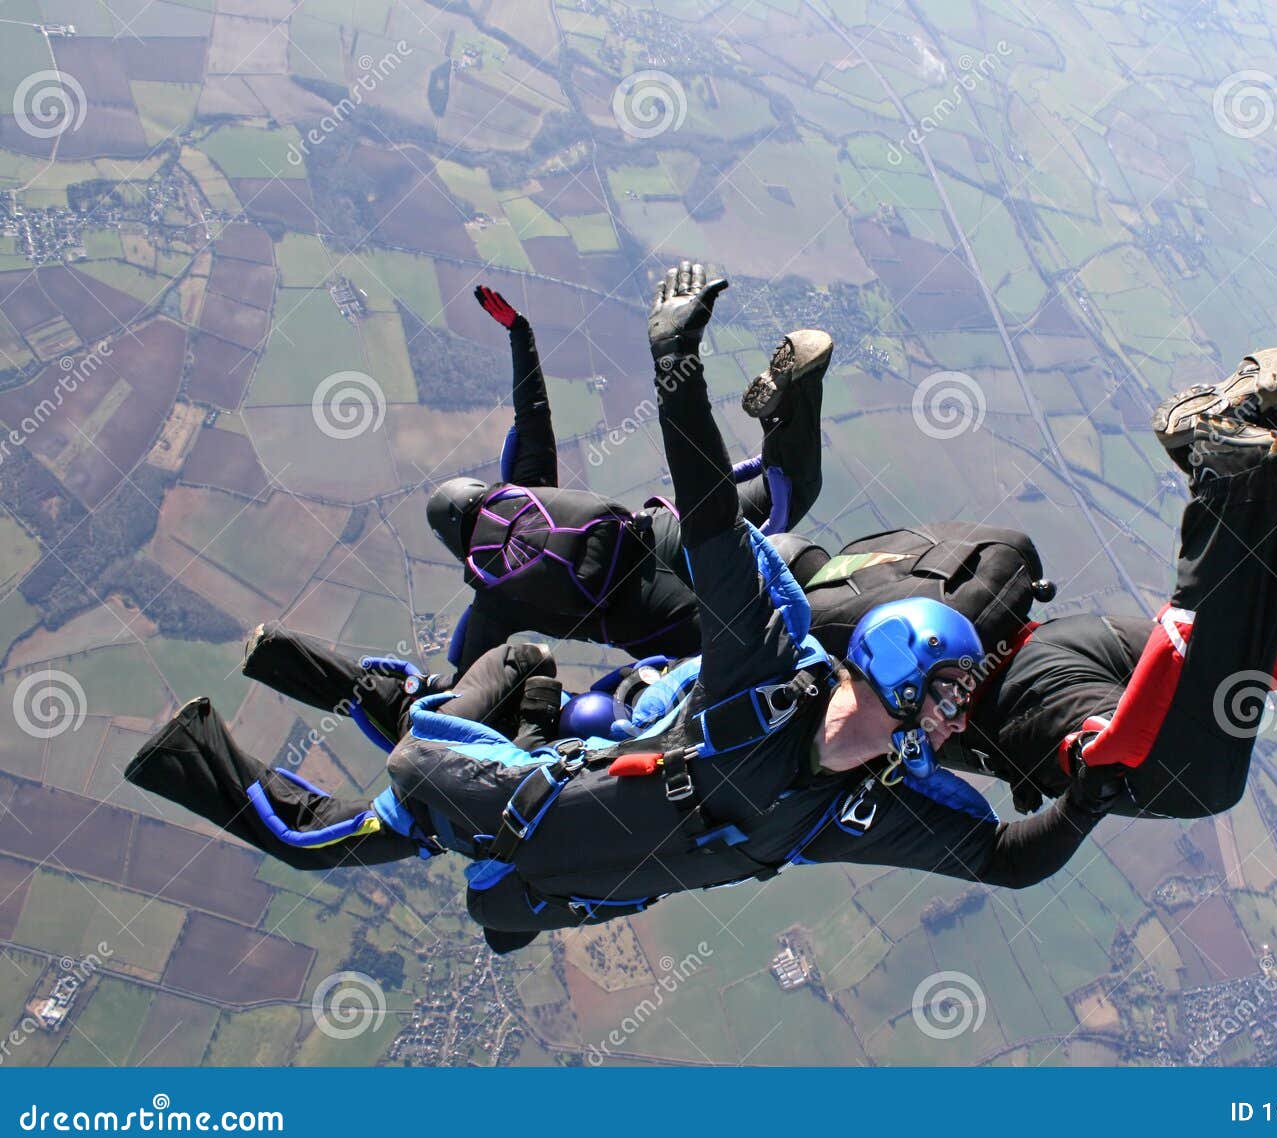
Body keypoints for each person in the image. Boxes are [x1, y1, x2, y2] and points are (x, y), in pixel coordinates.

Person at [121, 262, 1113, 954]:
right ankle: (210, 726)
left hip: (565, 852)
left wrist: (1089, 797)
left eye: (953, 700)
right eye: (944, 694)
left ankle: (302, 668)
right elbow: (712, 525)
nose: (954, 717)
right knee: (385, 779)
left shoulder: (867, 804)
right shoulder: (763, 686)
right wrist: (670, 368)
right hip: (542, 770)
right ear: (895, 675)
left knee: (491, 885)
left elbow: (1003, 859)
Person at [235, 282, 830, 746]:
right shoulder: (523, 489)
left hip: (646, 615)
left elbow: (462, 685)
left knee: (744, 655)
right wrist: (519, 333)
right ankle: (790, 410)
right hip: (661, 530)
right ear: (478, 493)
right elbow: (533, 415)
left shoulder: (491, 602)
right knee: (790, 495)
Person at [951, 345, 1277, 820]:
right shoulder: (860, 604)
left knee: (1192, 784)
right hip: (1051, 645)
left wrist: (1082, 795)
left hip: (1018, 705)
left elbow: (1002, 858)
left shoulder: (860, 756)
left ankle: (1231, 483)